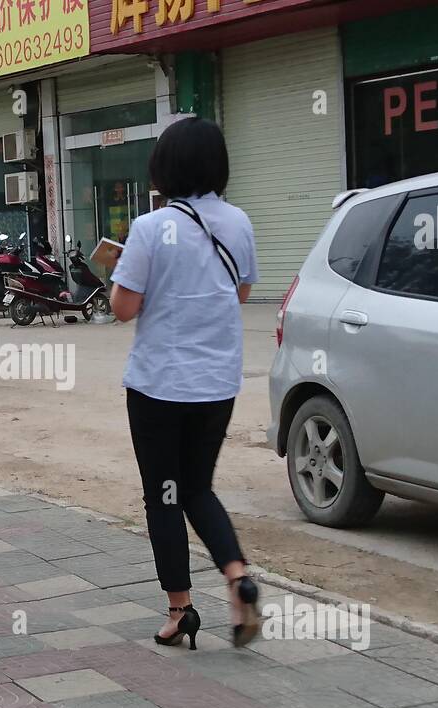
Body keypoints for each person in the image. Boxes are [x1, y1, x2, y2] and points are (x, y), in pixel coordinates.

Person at [108, 117, 262, 649]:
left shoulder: (152, 228)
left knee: (164, 497)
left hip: (158, 386)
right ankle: (238, 577)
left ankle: (180, 610)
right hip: (217, 383)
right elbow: (238, 294)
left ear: (164, 168)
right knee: (198, 487)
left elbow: (123, 308)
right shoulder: (239, 222)